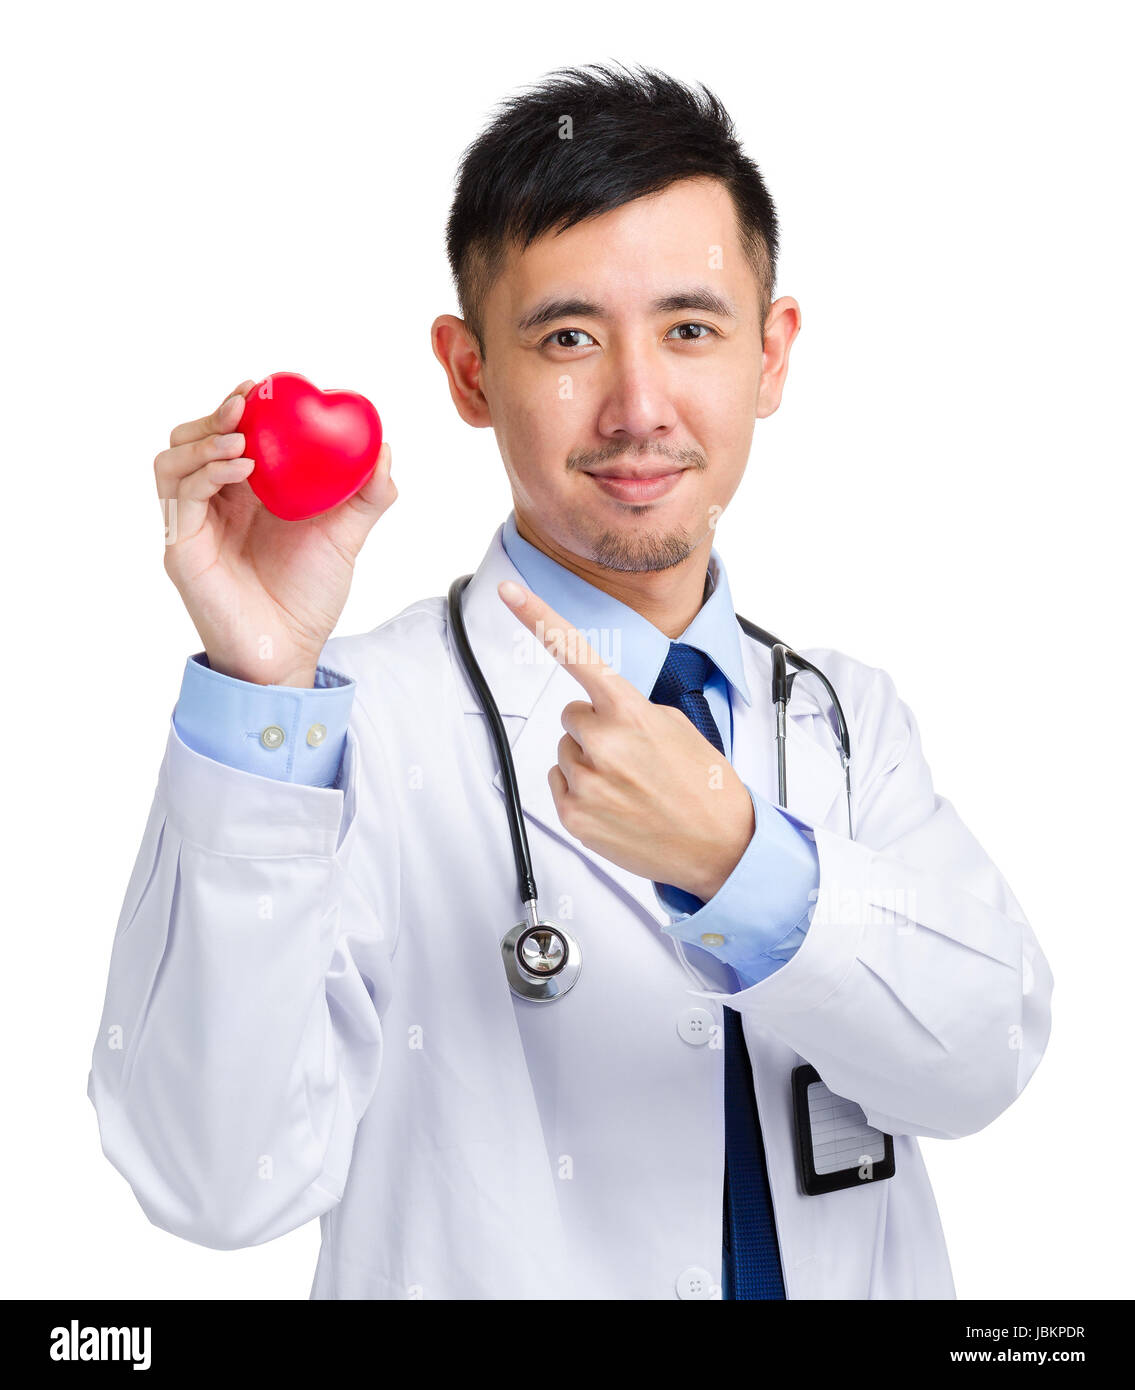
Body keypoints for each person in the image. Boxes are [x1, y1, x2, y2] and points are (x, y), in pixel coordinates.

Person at [88, 61, 1053, 1300]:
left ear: (772, 354)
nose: (638, 405)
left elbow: (985, 1054)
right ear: (469, 374)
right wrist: (263, 689)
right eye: (568, 337)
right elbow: (214, 1183)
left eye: (691, 328)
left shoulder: (841, 718)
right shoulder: (347, 728)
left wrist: (746, 866)